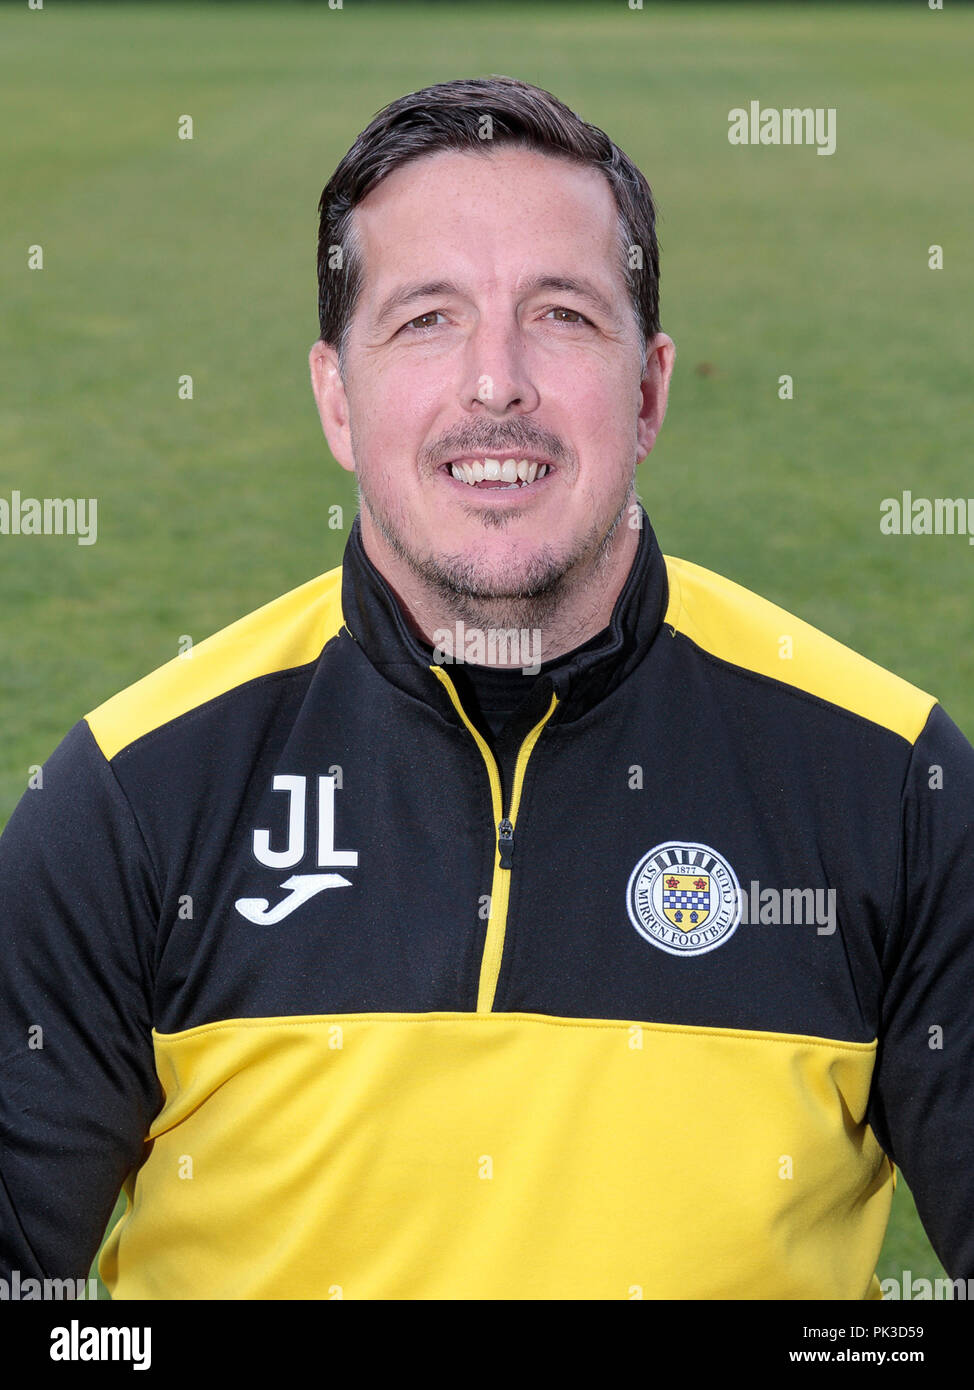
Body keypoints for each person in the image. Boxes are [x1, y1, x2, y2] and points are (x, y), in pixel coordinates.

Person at [1, 75, 972, 1301]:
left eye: (561, 315)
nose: (494, 381)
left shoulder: (889, 782)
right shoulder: (129, 797)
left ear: (649, 388)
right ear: (335, 400)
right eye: (425, 321)